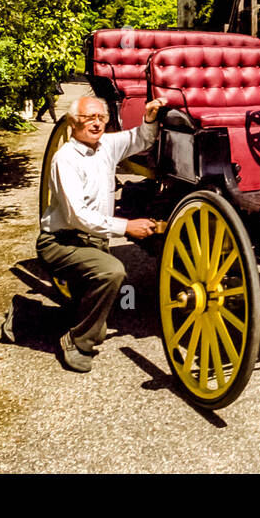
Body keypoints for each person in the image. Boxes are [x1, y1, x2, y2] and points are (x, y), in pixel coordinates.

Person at [37, 93, 165, 372]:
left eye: (101, 118)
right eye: (88, 118)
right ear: (73, 122)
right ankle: (77, 341)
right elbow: (77, 217)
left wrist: (150, 118)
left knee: (86, 299)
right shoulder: (65, 159)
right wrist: (126, 226)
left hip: (92, 239)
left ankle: (27, 316)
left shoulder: (106, 144)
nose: (96, 124)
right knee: (112, 272)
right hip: (61, 241)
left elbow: (139, 138)